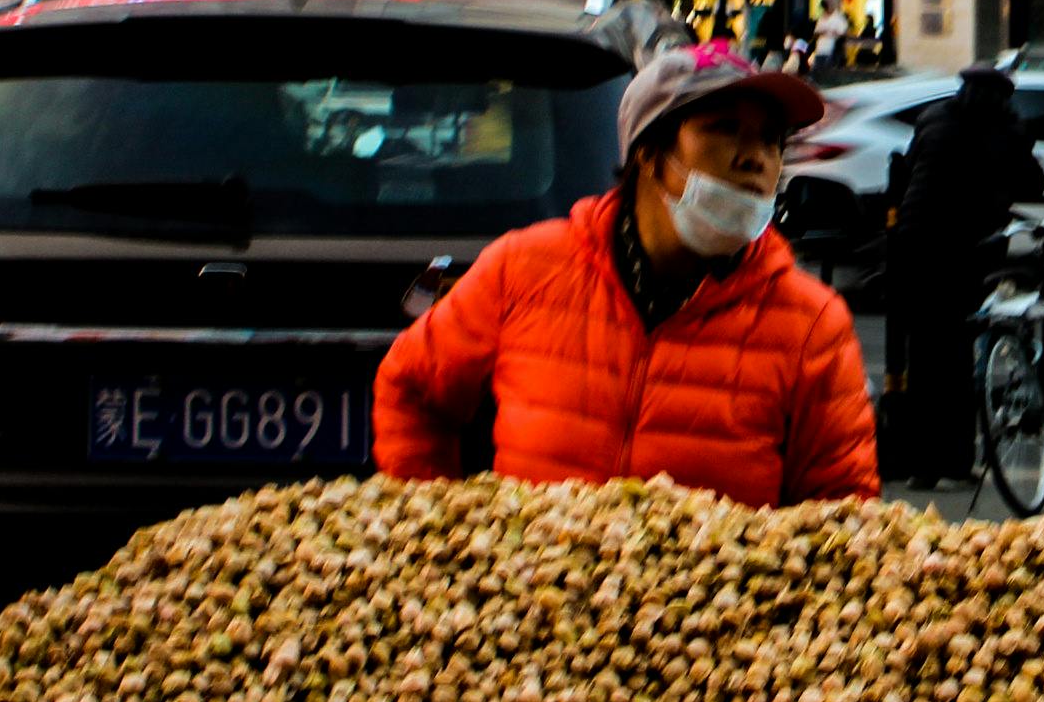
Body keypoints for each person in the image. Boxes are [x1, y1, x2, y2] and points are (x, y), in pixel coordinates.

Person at [373, 41, 876, 506]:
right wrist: (440, 523)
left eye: (771, 141)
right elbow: (410, 389)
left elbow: (842, 506)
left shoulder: (810, 323)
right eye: (724, 129)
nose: (755, 159)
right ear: (650, 154)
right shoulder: (524, 269)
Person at [882, 65, 1044, 488]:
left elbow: (909, 169)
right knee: (956, 356)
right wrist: (1022, 139)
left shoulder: (933, 118)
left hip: (914, 243)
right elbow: (1033, 182)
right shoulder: (1001, 129)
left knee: (923, 354)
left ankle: (921, 465)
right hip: (963, 251)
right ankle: (955, 461)